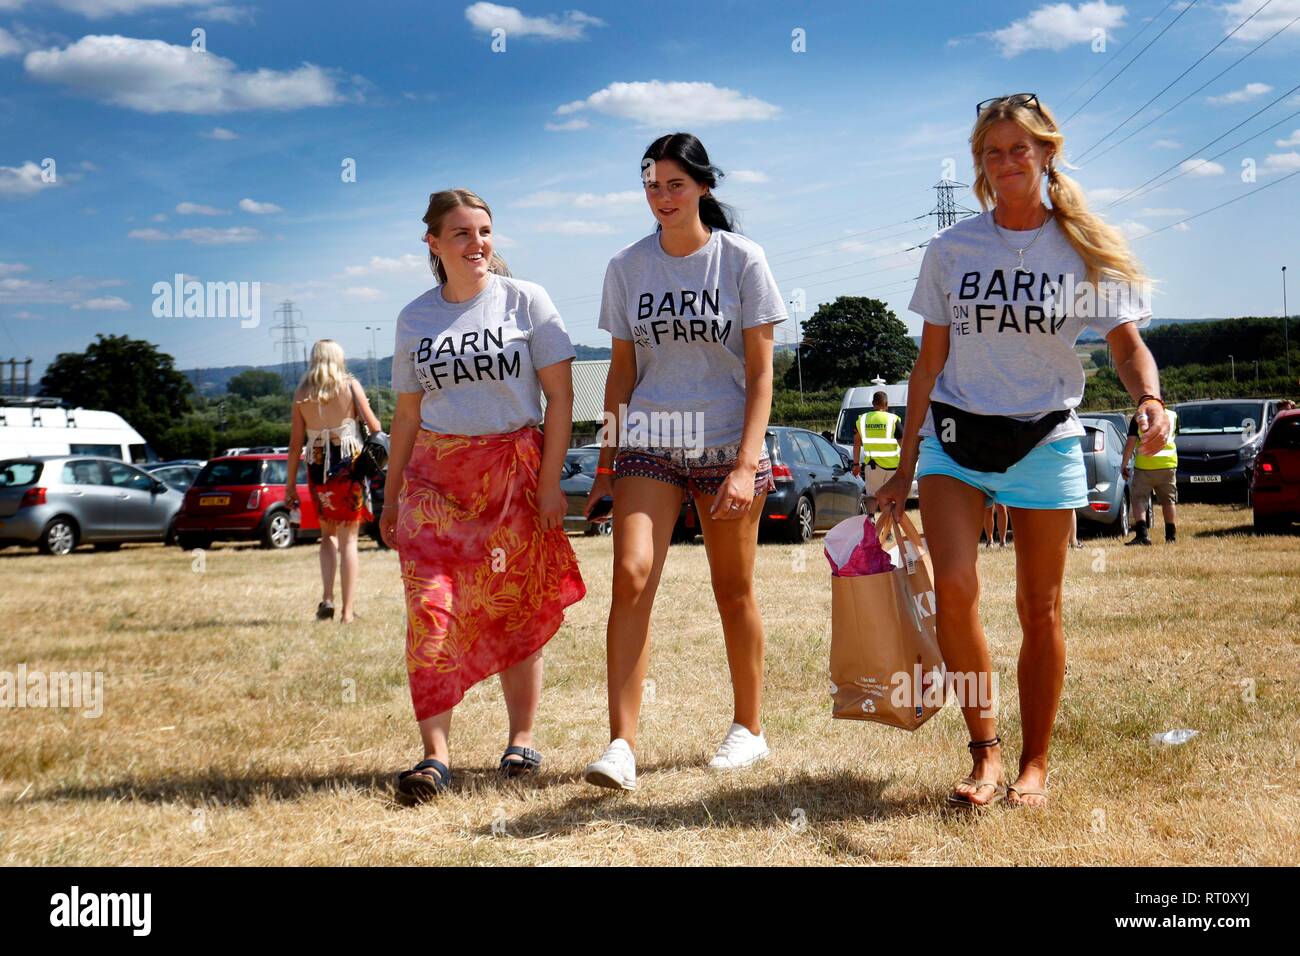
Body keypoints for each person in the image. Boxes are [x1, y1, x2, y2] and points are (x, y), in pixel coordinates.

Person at [875, 93, 1171, 809]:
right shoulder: (950, 251)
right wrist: (903, 464)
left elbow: (1127, 347)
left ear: (1046, 153)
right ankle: (985, 753)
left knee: (1041, 607)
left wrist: (1150, 401)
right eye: (992, 152)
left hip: (1045, 434)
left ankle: (1035, 765)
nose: (1006, 162)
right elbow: (926, 364)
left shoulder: (1083, 248)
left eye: (1019, 149)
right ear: (979, 164)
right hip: (955, 435)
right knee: (956, 589)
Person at [580, 133, 787, 791]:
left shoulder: (742, 261)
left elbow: (761, 376)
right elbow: (620, 373)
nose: (661, 198)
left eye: (674, 184)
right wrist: (607, 464)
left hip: (729, 444)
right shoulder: (626, 267)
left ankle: (748, 729)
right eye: (651, 186)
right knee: (632, 573)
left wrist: (744, 464)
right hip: (649, 440)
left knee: (734, 589)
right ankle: (621, 745)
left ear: (702, 186)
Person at [380, 188, 586, 801]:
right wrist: (390, 499)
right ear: (434, 244)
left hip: (511, 478)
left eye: (486, 231)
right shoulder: (414, 318)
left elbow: (562, 400)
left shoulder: (527, 301)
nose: (478, 244)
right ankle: (433, 756)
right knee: (430, 611)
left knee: (512, 608)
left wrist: (550, 484)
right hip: (434, 485)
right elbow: (406, 418)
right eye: (464, 233)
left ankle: (521, 739)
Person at [286, 339, 383, 624]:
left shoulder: (302, 393)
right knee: (349, 539)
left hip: (317, 466)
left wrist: (290, 486)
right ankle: (347, 611)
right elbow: (376, 428)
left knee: (326, 535)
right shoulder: (350, 386)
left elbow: (294, 445)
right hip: (348, 465)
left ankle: (327, 599)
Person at [1122, 404, 1180, 545]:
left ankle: (1142, 536)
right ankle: (1170, 537)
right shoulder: (1173, 416)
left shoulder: (1139, 417)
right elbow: (1173, 436)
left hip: (1145, 466)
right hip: (1168, 465)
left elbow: (1131, 442)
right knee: (1168, 501)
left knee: (1138, 500)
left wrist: (1124, 464)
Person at [852, 391, 901, 507]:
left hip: (873, 466)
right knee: (890, 498)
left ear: (873, 404)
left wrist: (856, 464)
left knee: (872, 496)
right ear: (886, 404)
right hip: (893, 467)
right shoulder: (893, 419)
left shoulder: (862, 420)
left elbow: (857, 443)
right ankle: (888, 523)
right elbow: (902, 443)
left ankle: (871, 518)